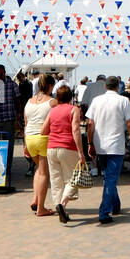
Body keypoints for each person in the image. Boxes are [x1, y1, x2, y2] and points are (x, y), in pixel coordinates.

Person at [84, 76, 130, 224]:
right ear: (117, 87)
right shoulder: (123, 101)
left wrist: (90, 143)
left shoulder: (96, 100)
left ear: (106, 86)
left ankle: (115, 204)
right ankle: (104, 212)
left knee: (108, 177)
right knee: (111, 178)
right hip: (116, 145)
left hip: (100, 144)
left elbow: (90, 124)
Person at [42, 84, 84, 224]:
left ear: (57, 97)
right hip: (68, 147)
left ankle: (58, 206)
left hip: (51, 147)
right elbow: (76, 131)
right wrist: (81, 152)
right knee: (72, 178)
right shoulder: (74, 110)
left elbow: (43, 131)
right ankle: (63, 204)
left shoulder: (52, 111)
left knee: (56, 180)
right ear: (71, 97)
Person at [24, 74, 56, 216]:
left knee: (38, 169)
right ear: (50, 86)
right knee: (44, 173)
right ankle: (41, 208)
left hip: (30, 138)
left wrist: (25, 143)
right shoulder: (52, 102)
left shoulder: (29, 102)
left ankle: (35, 199)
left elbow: (26, 123)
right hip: (43, 138)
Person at [0, 64, 21, 177]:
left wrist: (18, 114)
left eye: (1, 74)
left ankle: (7, 169)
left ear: (5, 72)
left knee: (9, 146)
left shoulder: (12, 85)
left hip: (9, 118)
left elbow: (17, 100)